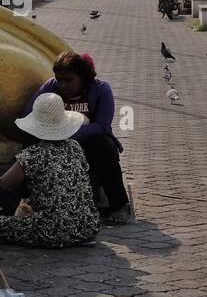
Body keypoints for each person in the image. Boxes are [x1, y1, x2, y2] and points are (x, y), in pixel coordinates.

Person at [0, 93, 100, 248]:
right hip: (87, 227)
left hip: (51, 231)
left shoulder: (33, 154)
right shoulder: (75, 147)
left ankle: (61, 235)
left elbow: (3, 183)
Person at [24, 50, 130, 224]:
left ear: (83, 77)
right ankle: (30, 199)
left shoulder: (101, 89)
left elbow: (102, 126)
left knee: (104, 146)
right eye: (60, 79)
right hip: (53, 139)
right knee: (29, 143)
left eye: (69, 80)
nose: (63, 85)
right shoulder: (51, 87)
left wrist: (69, 134)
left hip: (88, 140)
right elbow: (30, 112)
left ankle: (119, 203)